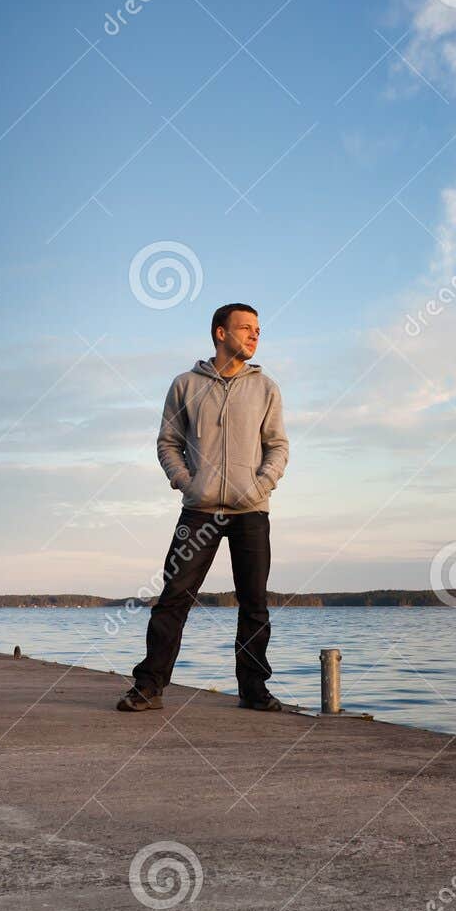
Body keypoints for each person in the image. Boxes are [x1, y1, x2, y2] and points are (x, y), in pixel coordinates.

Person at [117, 303, 289, 713]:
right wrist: (187, 482)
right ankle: (149, 686)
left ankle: (253, 690)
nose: (254, 335)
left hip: (251, 512)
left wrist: (260, 485)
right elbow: (168, 442)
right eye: (245, 328)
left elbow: (278, 446)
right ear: (219, 333)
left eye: (258, 330)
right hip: (199, 511)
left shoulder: (266, 388)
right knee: (174, 597)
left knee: (254, 604)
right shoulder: (185, 385)